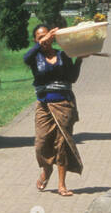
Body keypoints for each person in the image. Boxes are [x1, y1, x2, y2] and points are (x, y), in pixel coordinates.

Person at [24, 24, 86, 197]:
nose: (44, 40)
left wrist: (79, 59)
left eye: (47, 36)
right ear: (36, 40)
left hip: (64, 104)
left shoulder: (62, 55)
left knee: (62, 144)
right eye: (40, 37)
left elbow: (72, 77)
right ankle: (46, 169)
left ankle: (62, 185)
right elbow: (25, 57)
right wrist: (39, 45)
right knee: (41, 143)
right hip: (44, 105)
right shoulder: (34, 57)